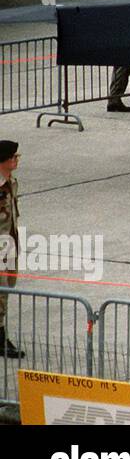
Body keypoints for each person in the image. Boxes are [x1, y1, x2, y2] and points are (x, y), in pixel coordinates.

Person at [0, 140, 24, 359]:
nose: (17, 159)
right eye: (14, 157)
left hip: (10, 245)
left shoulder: (11, 182)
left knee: (6, 289)